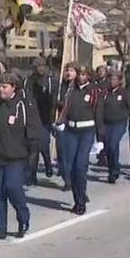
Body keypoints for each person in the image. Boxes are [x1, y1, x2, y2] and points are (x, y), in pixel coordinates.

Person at [0, 72, 40, 241]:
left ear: (13, 88)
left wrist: (33, 154)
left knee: (12, 188)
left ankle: (23, 216)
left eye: (4, 87)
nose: (0, 90)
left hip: (16, 157)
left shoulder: (23, 105)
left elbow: (33, 130)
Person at [56, 66, 100, 214]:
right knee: (71, 167)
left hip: (86, 131)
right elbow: (66, 107)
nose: (80, 77)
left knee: (81, 166)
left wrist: (100, 138)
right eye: (79, 74)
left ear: (88, 75)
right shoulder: (71, 90)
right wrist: (61, 122)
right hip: (71, 131)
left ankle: (81, 201)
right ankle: (77, 199)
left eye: (83, 74)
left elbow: (98, 113)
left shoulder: (93, 91)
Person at [25, 58, 58, 181]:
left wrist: (53, 117)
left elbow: (54, 100)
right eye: (38, 66)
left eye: (43, 65)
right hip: (32, 118)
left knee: (44, 144)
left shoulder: (51, 82)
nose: (41, 68)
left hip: (45, 119)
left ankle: (48, 164)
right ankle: (31, 175)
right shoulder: (28, 81)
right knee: (32, 148)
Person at [97, 70, 130, 183]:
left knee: (113, 144)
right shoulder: (104, 93)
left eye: (114, 79)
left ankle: (114, 171)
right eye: (110, 79)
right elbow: (100, 109)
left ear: (119, 81)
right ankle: (113, 168)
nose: (112, 81)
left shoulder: (124, 93)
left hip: (119, 123)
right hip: (107, 123)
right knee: (108, 148)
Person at [54, 63, 77, 188]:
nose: (69, 73)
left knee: (71, 154)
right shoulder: (61, 86)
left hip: (73, 123)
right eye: (67, 70)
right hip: (62, 122)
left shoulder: (77, 88)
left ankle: (72, 180)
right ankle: (67, 178)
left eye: (72, 70)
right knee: (62, 152)